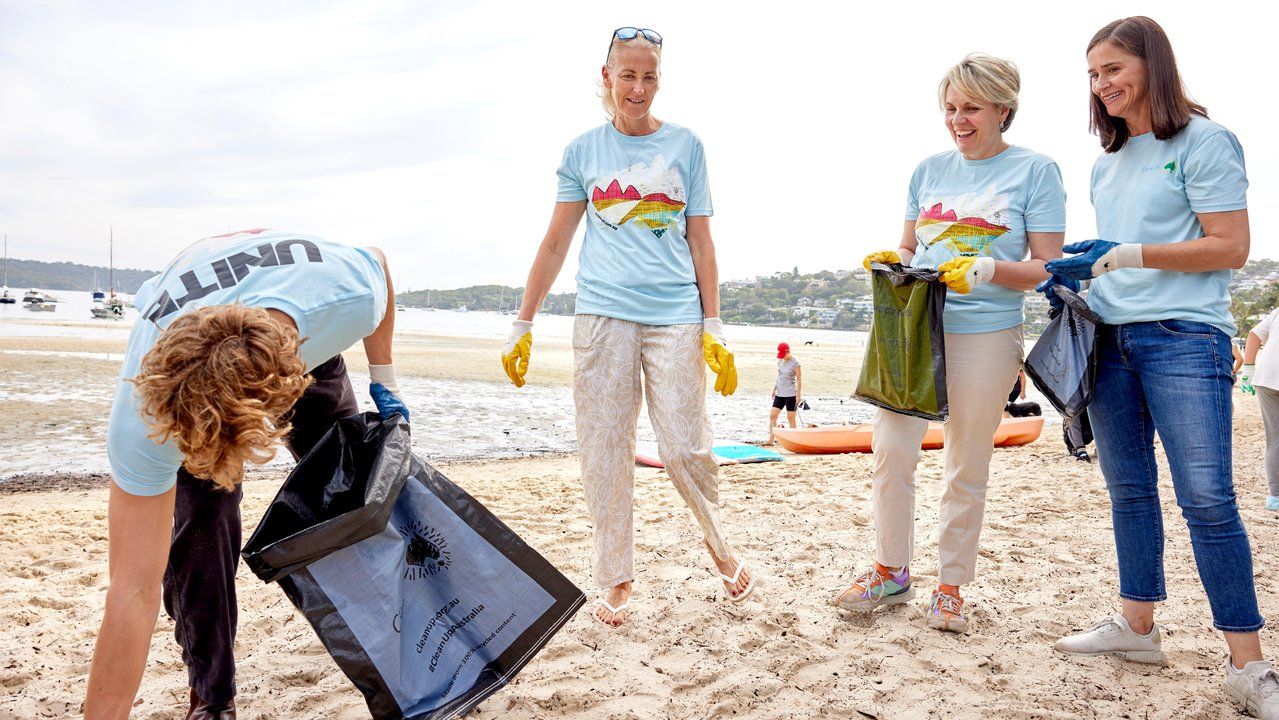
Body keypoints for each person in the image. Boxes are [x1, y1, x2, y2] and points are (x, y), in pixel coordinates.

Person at [1040, 17, 1279, 717]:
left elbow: (1229, 246)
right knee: (1129, 492)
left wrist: (1121, 254)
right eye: (1092, 74)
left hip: (1183, 337)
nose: (1102, 85)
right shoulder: (1105, 161)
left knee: (1205, 499)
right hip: (1109, 341)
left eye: (1113, 68)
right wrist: (1076, 279)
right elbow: (1116, 260)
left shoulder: (1204, 141)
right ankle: (1136, 627)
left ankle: (1250, 667)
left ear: (1153, 65)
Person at [84, 229, 407, 720]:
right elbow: (131, 592)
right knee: (202, 528)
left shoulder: (349, 296)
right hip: (194, 366)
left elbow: (378, 261)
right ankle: (212, 697)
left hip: (298, 337)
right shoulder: (143, 422)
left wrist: (384, 379)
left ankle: (419, 645)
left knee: (356, 489)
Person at [498, 27, 752, 628]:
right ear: (607, 77)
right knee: (604, 449)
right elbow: (557, 241)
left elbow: (702, 238)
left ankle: (719, 546)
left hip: (675, 318)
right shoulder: (582, 151)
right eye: (628, 75)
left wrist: (713, 322)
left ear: (658, 81)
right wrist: (522, 321)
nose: (638, 88)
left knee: (685, 447)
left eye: (649, 77)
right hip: (602, 316)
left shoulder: (687, 146)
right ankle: (616, 574)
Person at [831, 53, 1066, 633]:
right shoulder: (927, 170)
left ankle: (951, 586)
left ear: (1003, 109)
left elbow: (1047, 267)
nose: (958, 120)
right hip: (916, 328)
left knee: (965, 461)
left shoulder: (1036, 172)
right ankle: (891, 569)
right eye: (951, 108)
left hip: (986, 331)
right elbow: (910, 248)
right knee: (891, 450)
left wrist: (987, 269)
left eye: (971, 108)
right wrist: (895, 262)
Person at [1242, 307, 1279, 510]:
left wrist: (1248, 367)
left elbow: (1254, 335)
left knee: (1274, 440)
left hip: (1266, 378)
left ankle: (1276, 497)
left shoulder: (1276, 312)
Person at [769, 342, 802, 444]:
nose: (782, 357)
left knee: (790, 417)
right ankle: (771, 440)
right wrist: (774, 389)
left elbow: (799, 379)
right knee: (772, 416)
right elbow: (779, 377)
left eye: (783, 354)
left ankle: (793, 441)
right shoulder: (780, 362)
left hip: (791, 394)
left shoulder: (795, 363)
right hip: (780, 393)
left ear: (788, 352)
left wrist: (798, 395)